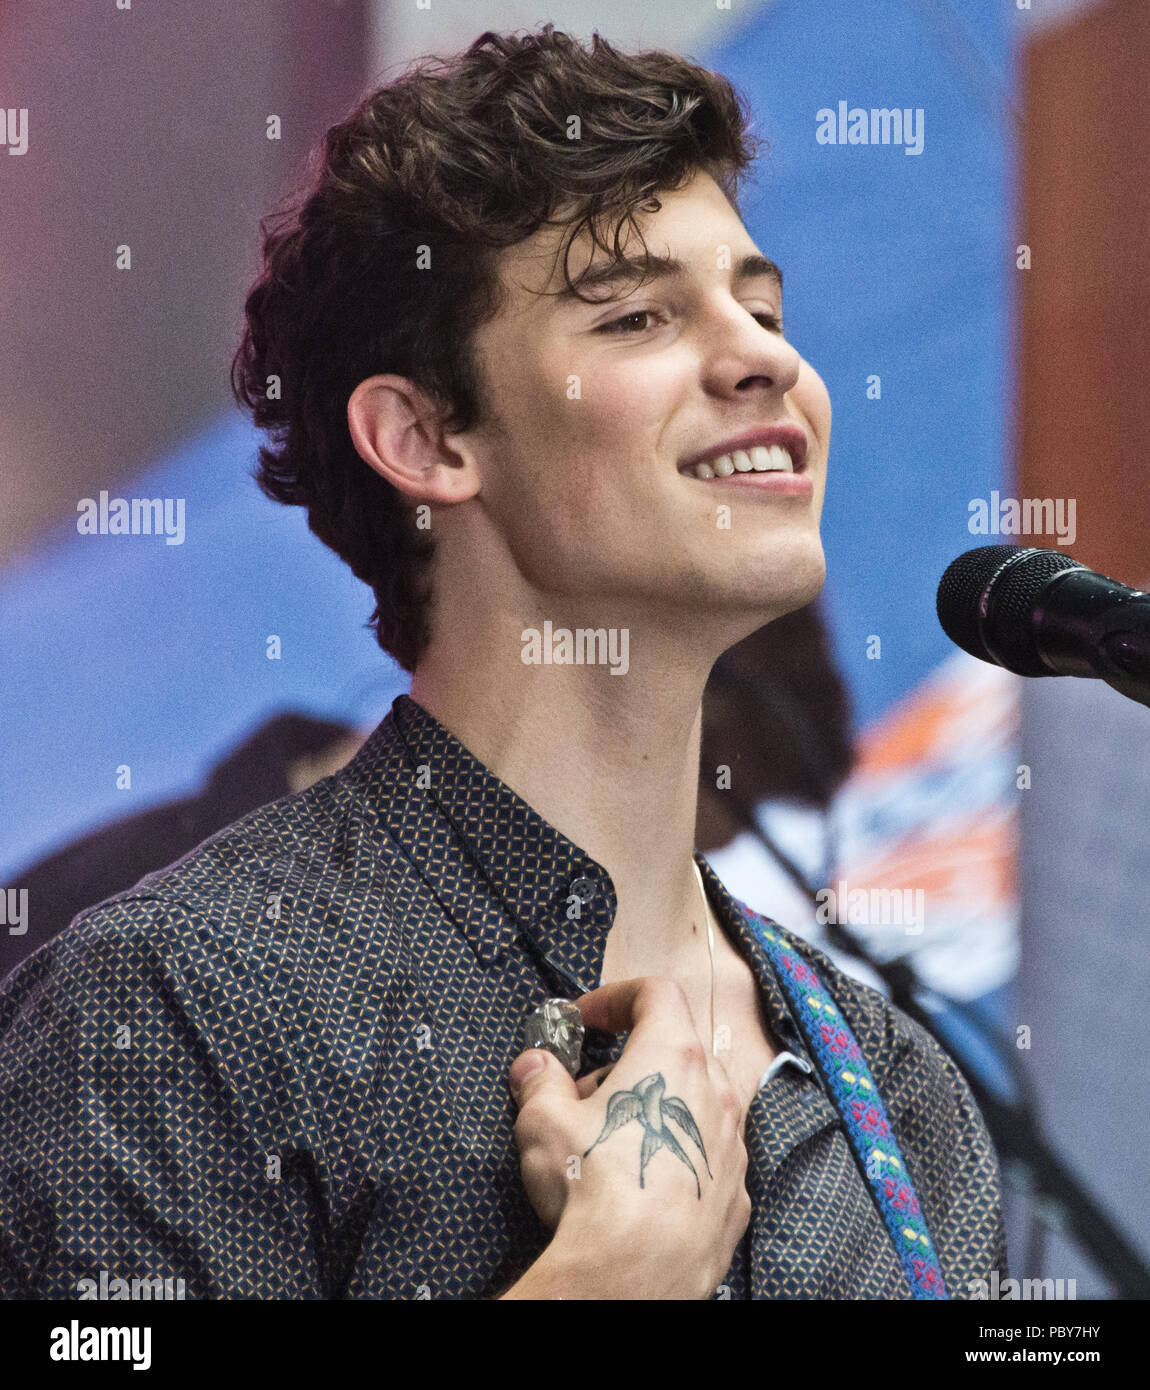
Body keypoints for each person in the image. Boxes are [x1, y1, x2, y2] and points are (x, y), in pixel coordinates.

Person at [0, 25, 1007, 1300]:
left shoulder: (898, 1093)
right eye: (637, 314)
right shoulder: (178, 1003)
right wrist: (601, 1284)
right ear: (424, 438)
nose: (768, 357)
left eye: (762, 306)